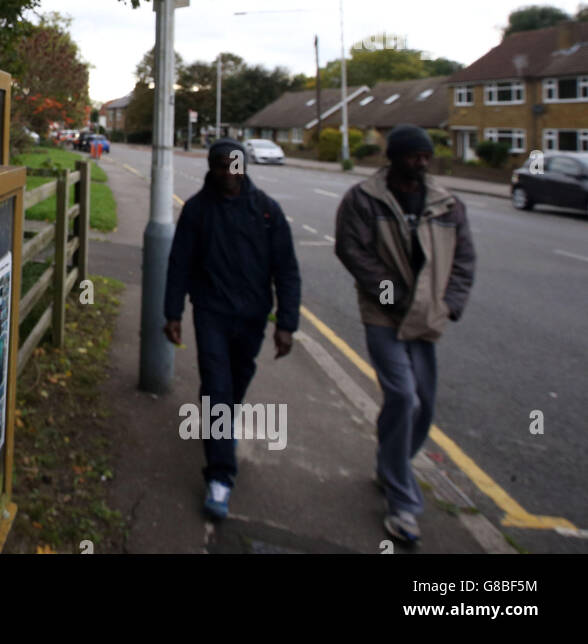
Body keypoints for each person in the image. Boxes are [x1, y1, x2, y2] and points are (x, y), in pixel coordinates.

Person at [334, 124, 475, 545]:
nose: (423, 162)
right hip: (384, 314)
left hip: (428, 316)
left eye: (427, 156)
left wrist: (449, 304)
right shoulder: (363, 199)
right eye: (415, 155)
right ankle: (403, 503)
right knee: (403, 396)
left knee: (424, 405)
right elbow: (350, 249)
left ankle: (390, 463)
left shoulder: (448, 204)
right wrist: (390, 294)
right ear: (394, 157)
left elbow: (465, 258)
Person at [164, 139, 301, 520]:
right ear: (211, 167)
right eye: (221, 166)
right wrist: (172, 313)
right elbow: (179, 265)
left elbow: (286, 270)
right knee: (217, 386)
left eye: (235, 165)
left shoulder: (267, 212)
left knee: (236, 381)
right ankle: (221, 477)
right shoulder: (196, 210)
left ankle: (216, 424)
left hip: (254, 316)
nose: (229, 173)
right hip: (211, 312)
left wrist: (286, 324)